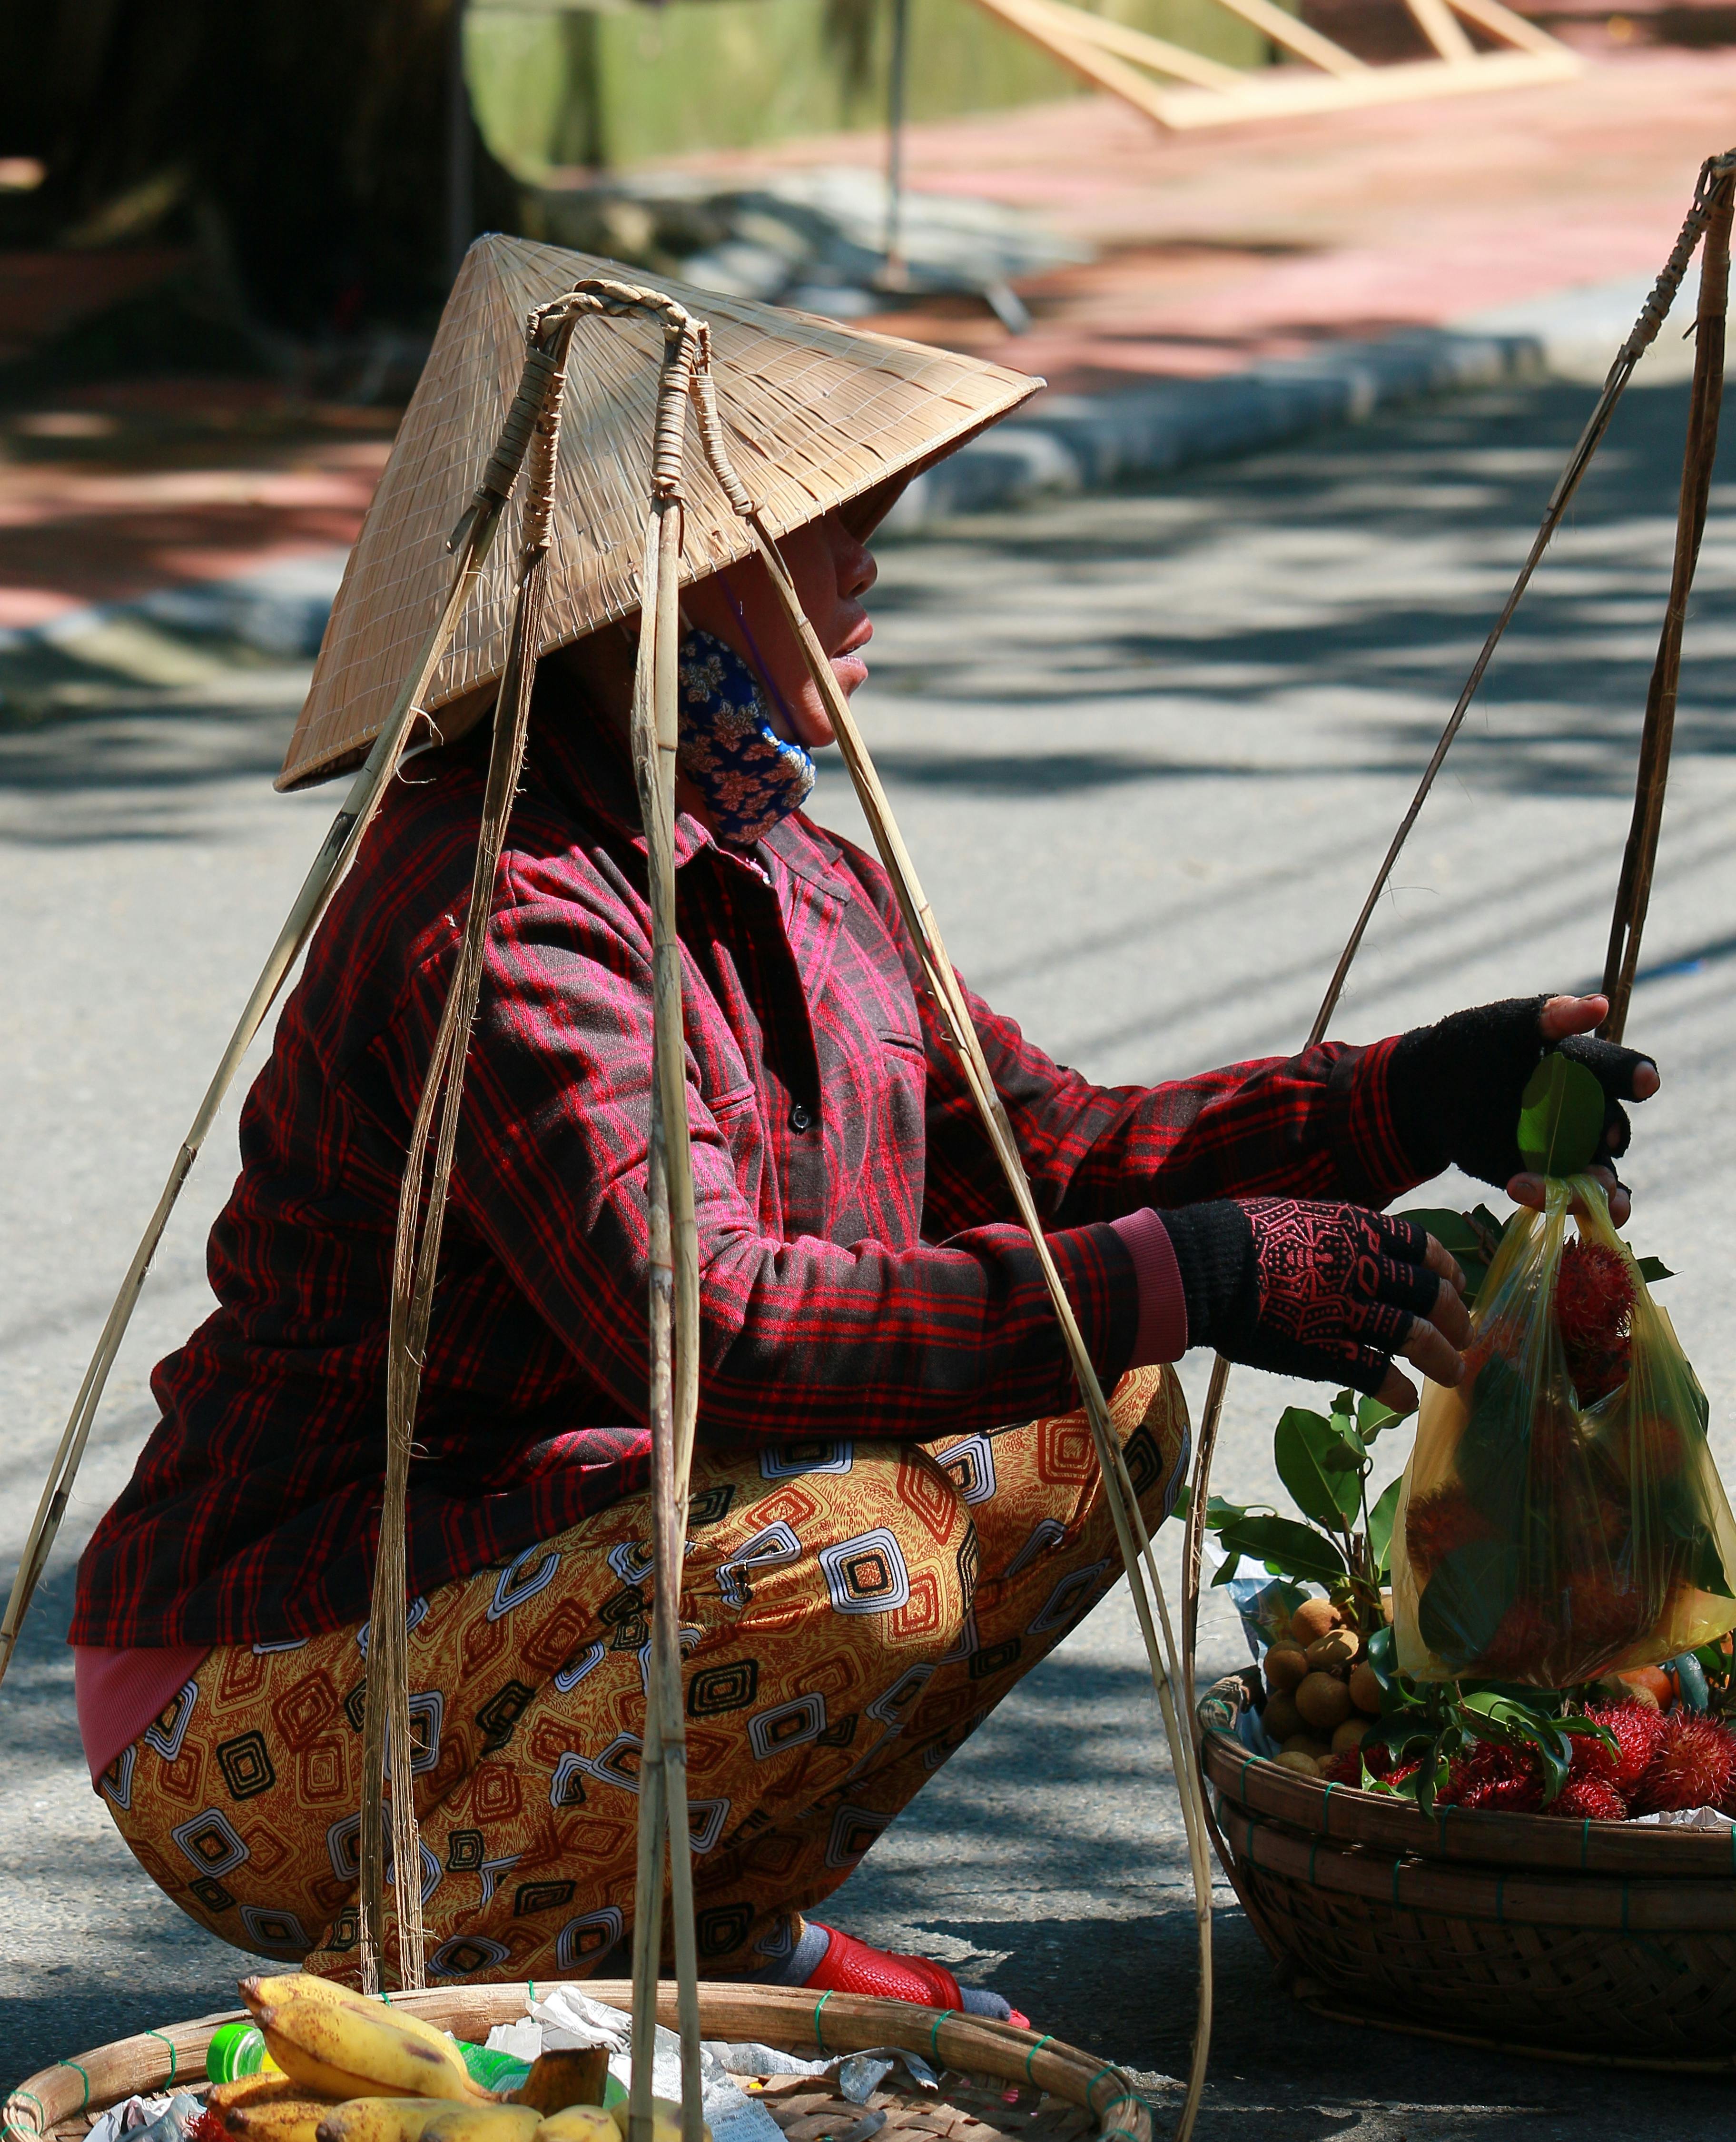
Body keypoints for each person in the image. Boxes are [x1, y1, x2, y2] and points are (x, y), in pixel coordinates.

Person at [66, 245, 1658, 2016]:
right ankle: (473, 2010)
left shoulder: (794, 871)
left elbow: (1052, 1151)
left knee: (1099, 1414)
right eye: (823, 525)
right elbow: (713, 1329)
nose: (866, 559)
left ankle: (706, 1925)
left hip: (560, 1566)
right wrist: (1207, 1269)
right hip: (266, 1678)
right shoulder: (500, 903)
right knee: (859, 1560)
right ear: (668, 585)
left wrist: (1407, 1098)